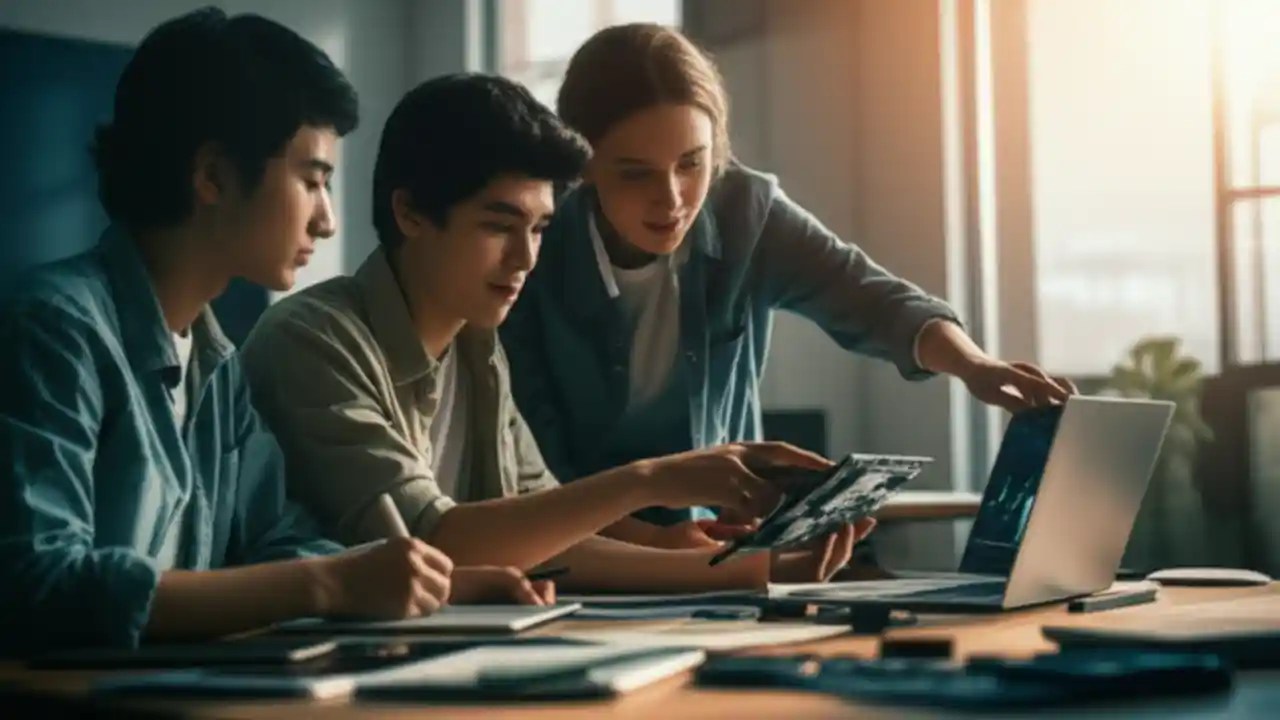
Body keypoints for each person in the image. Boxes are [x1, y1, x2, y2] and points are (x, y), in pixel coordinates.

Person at [0, 8, 531, 657]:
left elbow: (284, 539)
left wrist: (425, 580)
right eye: (312, 180)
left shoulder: (216, 365)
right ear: (214, 176)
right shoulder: (56, 329)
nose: (328, 222)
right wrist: (328, 583)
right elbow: (39, 582)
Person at [241, 73, 873, 593]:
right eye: (499, 226)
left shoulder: (478, 348)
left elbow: (551, 545)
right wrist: (653, 479)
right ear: (409, 213)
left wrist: (761, 570)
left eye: (540, 229)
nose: (525, 259)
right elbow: (433, 540)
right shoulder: (312, 340)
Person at [500, 24, 1077, 550]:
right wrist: (646, 543)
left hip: (727, 543)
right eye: (636, 173)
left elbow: (871, 298)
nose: (672, 199)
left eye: (692, 164)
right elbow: (530, 458)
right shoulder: (534, 252)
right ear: (583, 164)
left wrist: (974, 366)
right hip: (582, 549)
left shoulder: (746, 212)